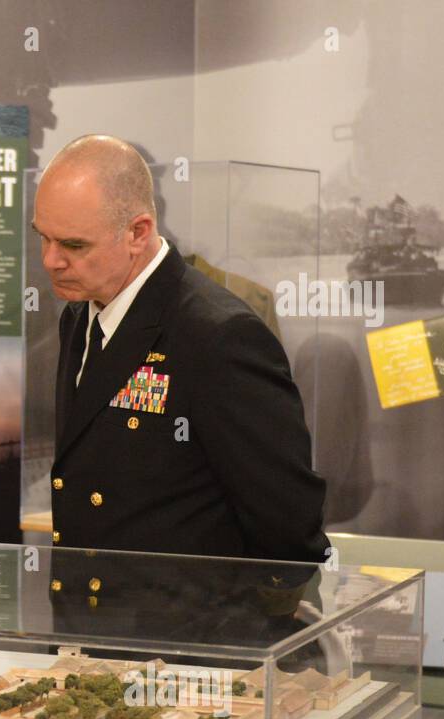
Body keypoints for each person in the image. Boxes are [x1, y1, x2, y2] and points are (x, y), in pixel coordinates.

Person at [33, 135, 329, 562]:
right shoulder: (81, 315)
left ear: (138, 232)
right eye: (43, 237)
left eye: (74, 245)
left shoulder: (218, 336)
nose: (50, 260)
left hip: (185, 620)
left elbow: (287, 524)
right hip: (93, 616)